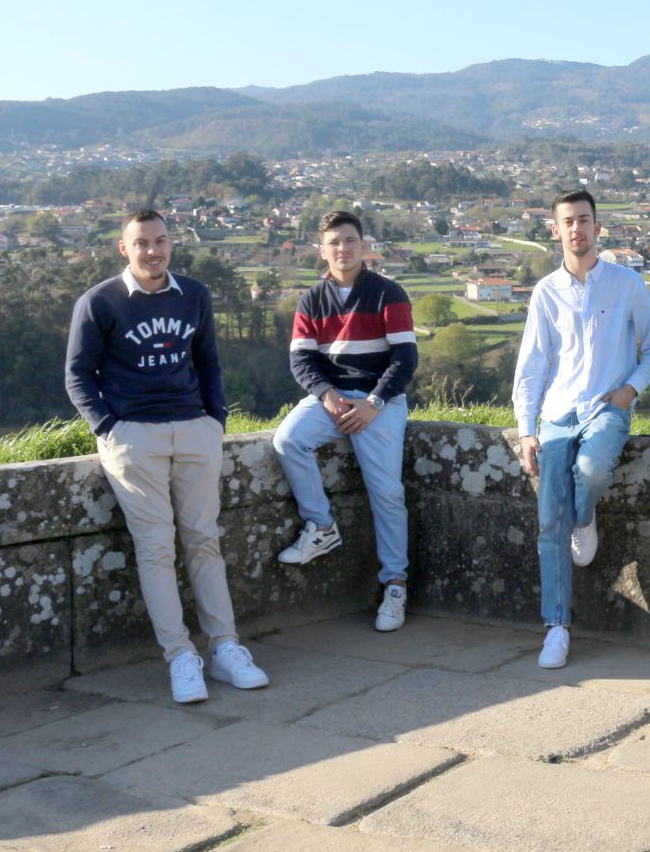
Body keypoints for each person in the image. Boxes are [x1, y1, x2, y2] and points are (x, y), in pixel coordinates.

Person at [64, 209, 268, 703]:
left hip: (194, 430)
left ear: (171, 243)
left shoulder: (193, 294)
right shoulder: (99, 302)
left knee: (204, 541)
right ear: (124, 248)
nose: (153, 251)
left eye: (160, 240)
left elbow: (208, 360)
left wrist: (215, 419)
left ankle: (225, 648)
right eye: (142, 243)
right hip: (134, 437)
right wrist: (109, 429)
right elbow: (78, 375)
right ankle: (180, 656)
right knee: (156, 548)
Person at [512, 190, 650, 669]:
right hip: (558, 414)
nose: (576, 228)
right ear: (555, 230)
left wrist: (630, 390)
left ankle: (584, 515)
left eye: (584, 220)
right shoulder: (546, 292)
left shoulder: (626, 283)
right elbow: (532, 365)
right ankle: (556, 627)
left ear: (597, 227)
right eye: (568, 221)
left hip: (606, 407)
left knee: (593, 469)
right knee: (548, 523)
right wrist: (526, 429)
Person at [272, 211, 417, 632]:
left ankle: (395, 584)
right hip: (331, 398)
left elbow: (405, 358)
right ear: (322, 250)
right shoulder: (311, 300)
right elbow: (301, 360)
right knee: (288, 440)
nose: (343, 248)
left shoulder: (388, 293)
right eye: (334, 242)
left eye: (350, 240)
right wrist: (327, 395)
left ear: (363, 245)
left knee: (387, 492)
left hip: (379, 401)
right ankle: (321, 526)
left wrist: (373, 402)